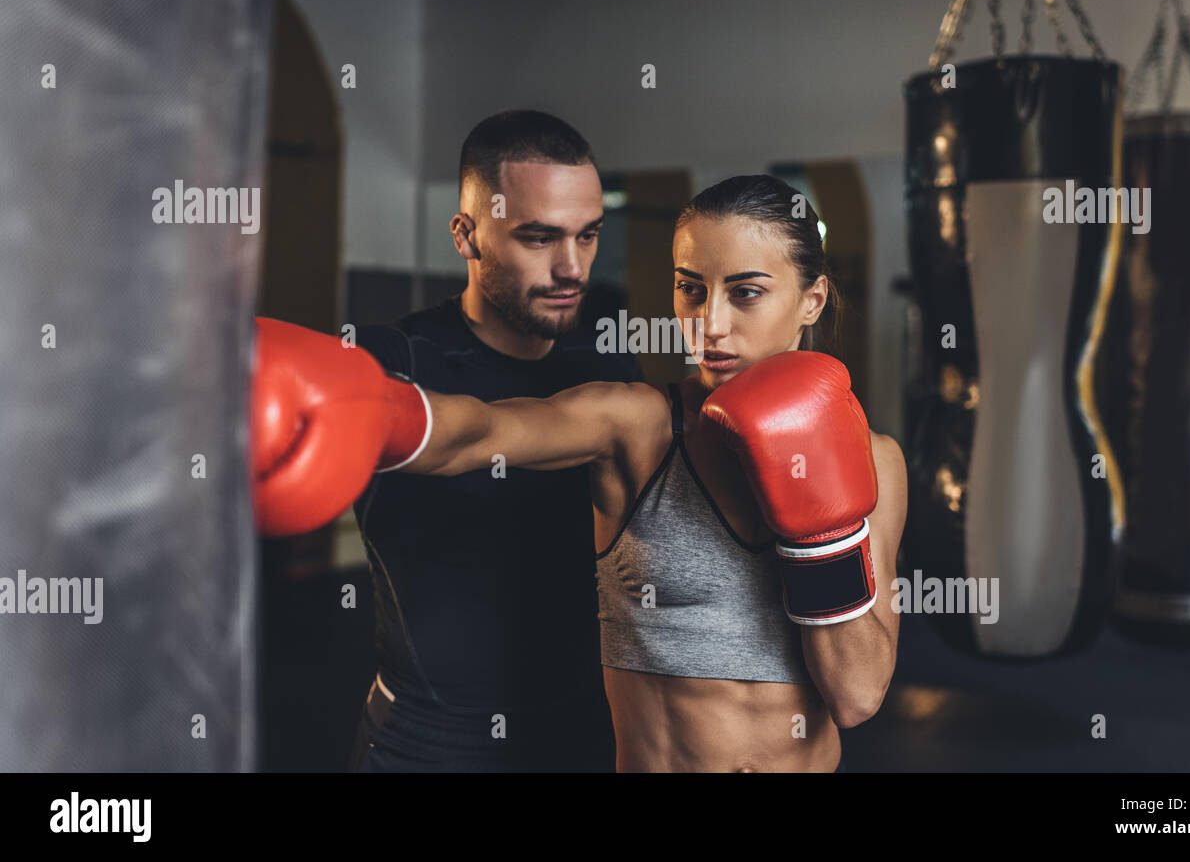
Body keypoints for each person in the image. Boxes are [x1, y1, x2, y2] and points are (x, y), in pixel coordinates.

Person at [254, 174, 905, 772]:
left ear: (812, 298)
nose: (710, 323)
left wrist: (822, 530)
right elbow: (480, 431)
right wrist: (368, 407)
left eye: (746, 292)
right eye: (689, 287)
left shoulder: (875, 460)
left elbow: (857, 695)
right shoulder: (635, 425)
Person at [262, 110, 643, 771]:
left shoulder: (608, 369)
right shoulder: (392, 360)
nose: (572, 266)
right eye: (539, 237)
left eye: (588, 235)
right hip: (428, 741)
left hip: (585, 730)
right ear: (466, 235)